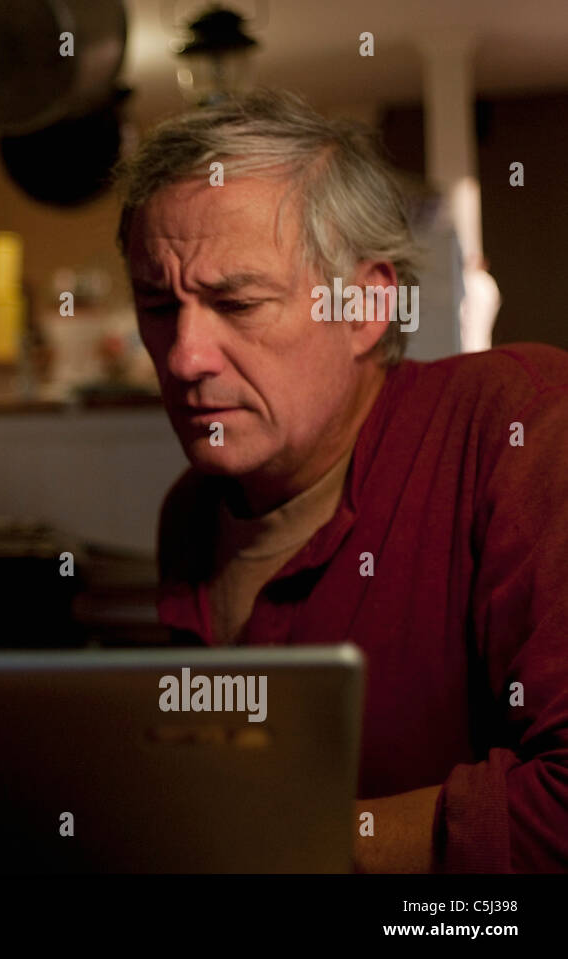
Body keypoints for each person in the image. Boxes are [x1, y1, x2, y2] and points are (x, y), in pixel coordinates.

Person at [113, 90, 568, 873]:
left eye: (239, 302)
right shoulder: (191, 514)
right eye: (159, 306)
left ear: (365, 304)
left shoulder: (521, 425)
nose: (185, 357)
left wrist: (297, 842)